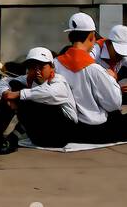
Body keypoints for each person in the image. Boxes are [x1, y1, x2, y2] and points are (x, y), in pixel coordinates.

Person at [0, 47, 77, 155]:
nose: (37, 71)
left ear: (52, 67)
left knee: (30, 98)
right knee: (14, 86)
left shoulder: (59, 81)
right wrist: (7, 94)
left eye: (41, 67)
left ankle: (12, 140)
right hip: (39, 134)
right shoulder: (29, 79)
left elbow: (50, 93)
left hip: (61, 134)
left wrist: (18, 94)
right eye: (33, 67)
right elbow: (2, 82)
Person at [53, 13, 123, 142]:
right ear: (92, 36)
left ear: (70, 36)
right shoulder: (95, 69)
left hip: (68, 128)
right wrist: (112, 79)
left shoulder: (55, 64)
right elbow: (114, 104)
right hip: (94, 130)